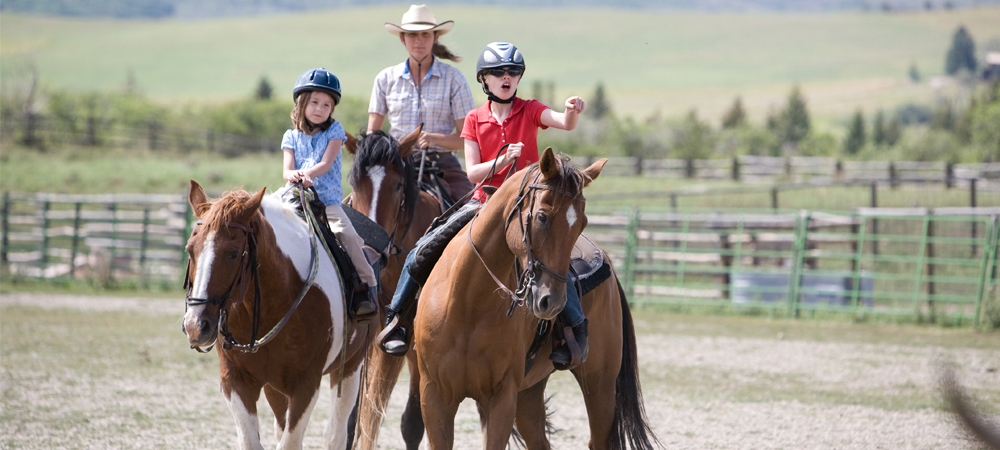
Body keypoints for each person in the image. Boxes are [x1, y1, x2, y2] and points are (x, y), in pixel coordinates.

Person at [377, 42, 589, 370]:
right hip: (484, 204)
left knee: (556, 262)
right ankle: (397, 319)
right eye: (498, 72)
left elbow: (565, 122)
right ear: (484, 79)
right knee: (424, 247)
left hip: (526, 208)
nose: (507, 77)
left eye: (513, 72)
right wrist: (502, 160)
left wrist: (572, 110)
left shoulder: (531, 109)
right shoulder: (474, 119)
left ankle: (574, 330)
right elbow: (472, 171)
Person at [282, 67, 377, 317]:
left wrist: (307, 175)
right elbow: (287, 170)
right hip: (295, 197)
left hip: (327, 201)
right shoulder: (290, 137)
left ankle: (367, 287)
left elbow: (325, 164)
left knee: (346, 233)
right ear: (302, 103)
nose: (319, 109)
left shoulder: (335, 132)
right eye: (314, 102)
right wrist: (294, 176)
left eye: (326, 105)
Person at [368, 4, 476, 204]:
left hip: (442, 165)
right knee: (361, 211)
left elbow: (467, 139)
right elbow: (371, 134)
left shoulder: (454, 79)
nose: (419, 41)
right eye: (412, 35)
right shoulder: (385, 79)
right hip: (395, 165)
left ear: (435, 38)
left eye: (425, 34)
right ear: (402, 38)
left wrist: (434, 139)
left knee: (473, 209)